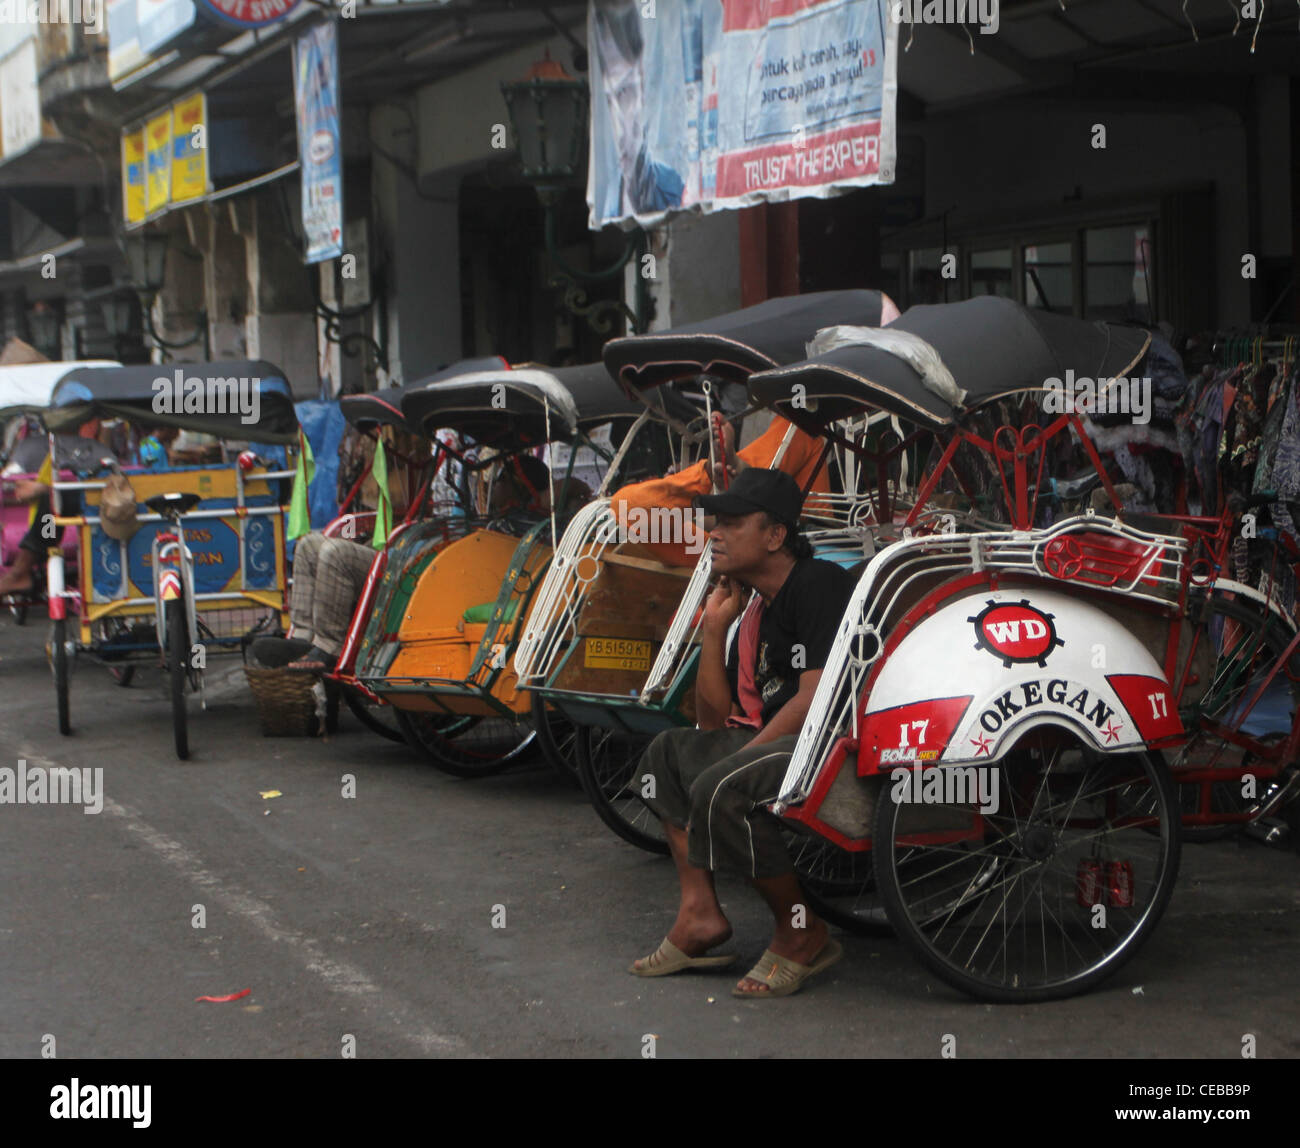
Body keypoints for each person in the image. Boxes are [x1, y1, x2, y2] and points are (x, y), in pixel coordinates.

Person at [629, 467, 857, 998]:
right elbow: (713, 720)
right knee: (666, 754)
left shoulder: (817, 583)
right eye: (716, 523)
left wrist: (739, 761)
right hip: (779, 742)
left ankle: (804, 932)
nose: (714, 533)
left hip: (829, 743)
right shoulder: (756, 608)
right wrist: (715, 627)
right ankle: (699, 912)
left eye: (731, 523)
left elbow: (815, 698)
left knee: (721, 784)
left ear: (776, 535)